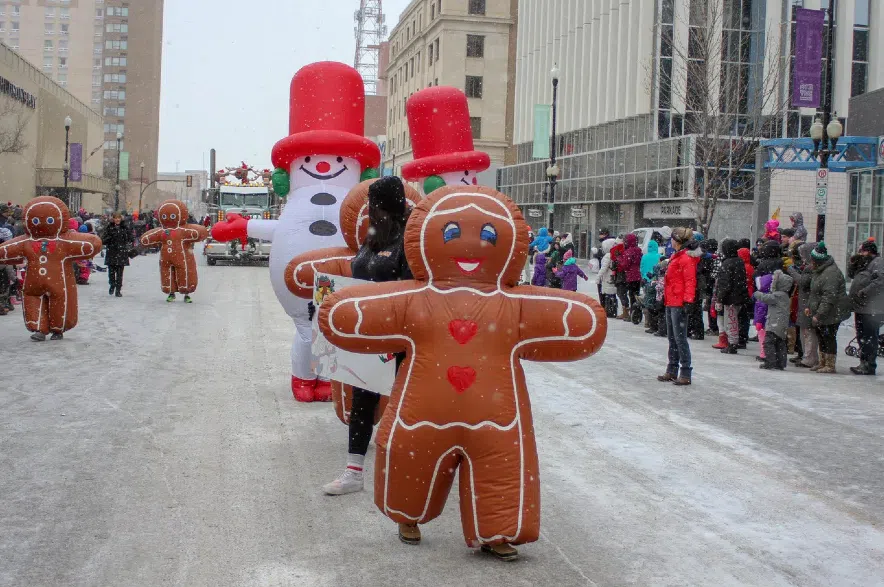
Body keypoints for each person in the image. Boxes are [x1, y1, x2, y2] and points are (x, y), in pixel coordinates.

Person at [323, 176, 413, 496]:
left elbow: (409, 282)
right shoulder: (376, 234)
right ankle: (354, 472)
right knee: (363, 399)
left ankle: (410, 474)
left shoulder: (410, 234)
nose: (369, 211)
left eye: (374, 205)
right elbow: (361, 267)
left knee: (406, 404)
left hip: (401, 335)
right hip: (371, 330)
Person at [658, 227, 698, 385]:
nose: (670, 241)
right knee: (673, 338)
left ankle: (685, 372)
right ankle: (672, 369)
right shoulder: (677, 256)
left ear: (677, 241)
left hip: (679, 301)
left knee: (680, 338)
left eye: (672, 239)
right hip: (671, 299)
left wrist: (688, 300)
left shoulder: (685, 258)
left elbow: (690, 280)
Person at [806, 242, 848, 374]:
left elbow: (829, 297)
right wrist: (810, 307)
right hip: (823, 310)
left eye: (812, 260)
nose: (810, 263)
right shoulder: (819, 271)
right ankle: (822, 362)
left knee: (828, 335)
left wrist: (819, 314)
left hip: (832, 311)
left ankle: (830, 364)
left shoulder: (831, 273)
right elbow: (815, 292)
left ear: (818, 261)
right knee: (821, 335)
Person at [847, 239, 883, 375]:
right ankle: (864, 362)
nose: (860, 253)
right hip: (861, 306)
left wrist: (864, 291)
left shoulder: (878, 263)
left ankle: (869, 364)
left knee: (869, 336)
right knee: (861, 335)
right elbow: (852, 275)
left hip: (872, 307)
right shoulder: (865, 263)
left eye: (861, 251)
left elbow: (880, 281)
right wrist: (853, 262)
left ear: (868, 251)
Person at [711, 239, 748, 354]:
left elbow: (724, 283)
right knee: (735, 319)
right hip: (739, 296)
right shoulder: (739, 261)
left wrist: (719, 299)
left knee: (730, 321)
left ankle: (732, 344)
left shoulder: (727, 263)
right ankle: (734, 341)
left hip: (730, 298)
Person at [788, 242, 819, 369]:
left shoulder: (811, 268)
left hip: (808, 302)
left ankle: (809, 357)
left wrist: (792, 271)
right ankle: (806, 356)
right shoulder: (809, 267)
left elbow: (803, 282)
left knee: (808, 332)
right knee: (805, 331)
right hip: (805, 302)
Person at [753, 270, 794, 370]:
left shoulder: (778, 295)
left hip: (774, 324)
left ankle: (770, 362)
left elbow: (766, 298)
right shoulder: (785, 296)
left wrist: (757, 293)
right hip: (782, 324)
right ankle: (780, 363)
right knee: (780, 344)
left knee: (769, 343)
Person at [101, 212, 131, 297]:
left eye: (119, 218)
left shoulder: (124, 227)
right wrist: (111, 237)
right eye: (115, 218)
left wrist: (126, 237)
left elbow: (130, 238)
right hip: (112, 252)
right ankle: (112, 284)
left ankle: (118, 290)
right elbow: (103, 240)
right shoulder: (109, 227)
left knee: (120, 273)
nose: (117, 220)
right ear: (113, 219)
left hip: (121, 253)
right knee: (111, 272)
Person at [620, 233, 643, 321]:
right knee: (636, 295)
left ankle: (633, 314)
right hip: (638, 275)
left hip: (631, 276)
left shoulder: (628, 251)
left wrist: (619, 258)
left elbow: (625, 265)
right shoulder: (638, 250)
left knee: (631, 295)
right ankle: (638, 312)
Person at [597, 238, 618, 316]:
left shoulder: (607, 256)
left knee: (608, 294)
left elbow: (603, 268)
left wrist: (598, 277)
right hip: (613, 277)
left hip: (607, 278)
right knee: (612, 294)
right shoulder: (615, 254)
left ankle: (609, 311)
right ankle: (613, 310)